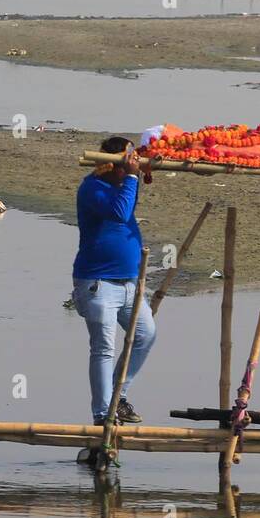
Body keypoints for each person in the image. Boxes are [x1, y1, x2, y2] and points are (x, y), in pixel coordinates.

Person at [71, 136, 155, 426]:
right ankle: (102, 414)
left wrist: (136, 177)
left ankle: (118, 397)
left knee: (146, 335)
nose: (131, 164)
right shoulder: (93, 187)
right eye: (127, 160)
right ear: (112, 164)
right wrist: (131, 177)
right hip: (98, 284)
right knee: (104, 347)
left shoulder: (123, 186)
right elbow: (119, 214)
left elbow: (127, 205)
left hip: (130, 285)